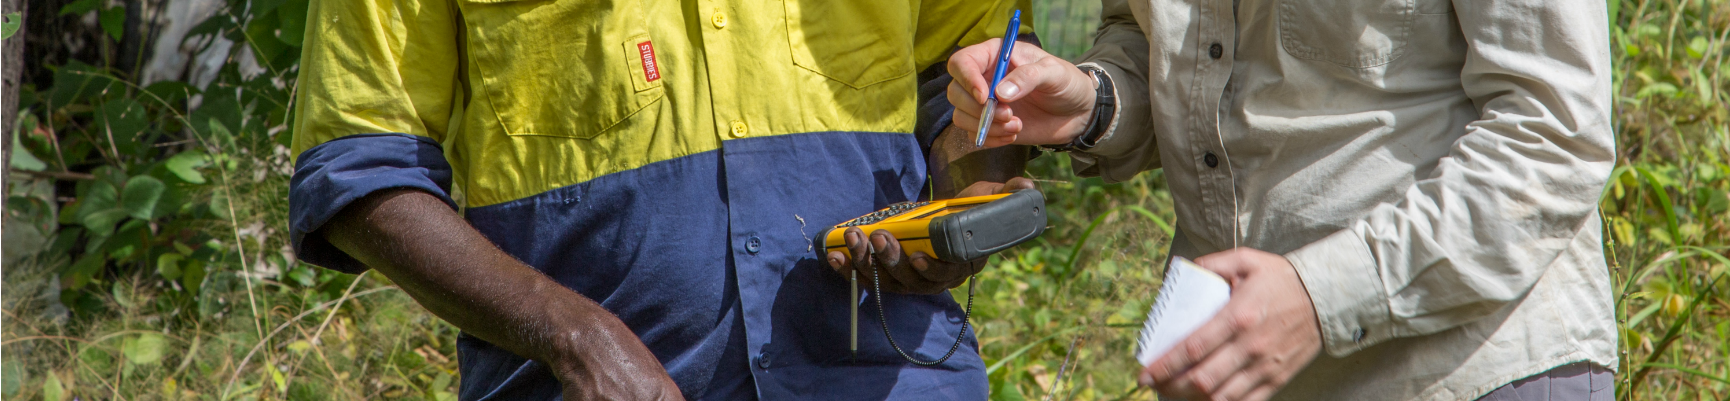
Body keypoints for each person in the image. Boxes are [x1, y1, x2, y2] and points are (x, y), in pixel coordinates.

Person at [287, 0, 1035, 399]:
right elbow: (359, 171)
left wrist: (965, 208)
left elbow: (971, 69)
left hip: (888, 377)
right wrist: (572, 338)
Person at [947, 0, 1617, 400]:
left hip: (1468, 369)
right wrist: (1095, 102)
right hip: (1240, 371)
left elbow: (1554, 137)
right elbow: (1165, 46)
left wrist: (1322, 295)